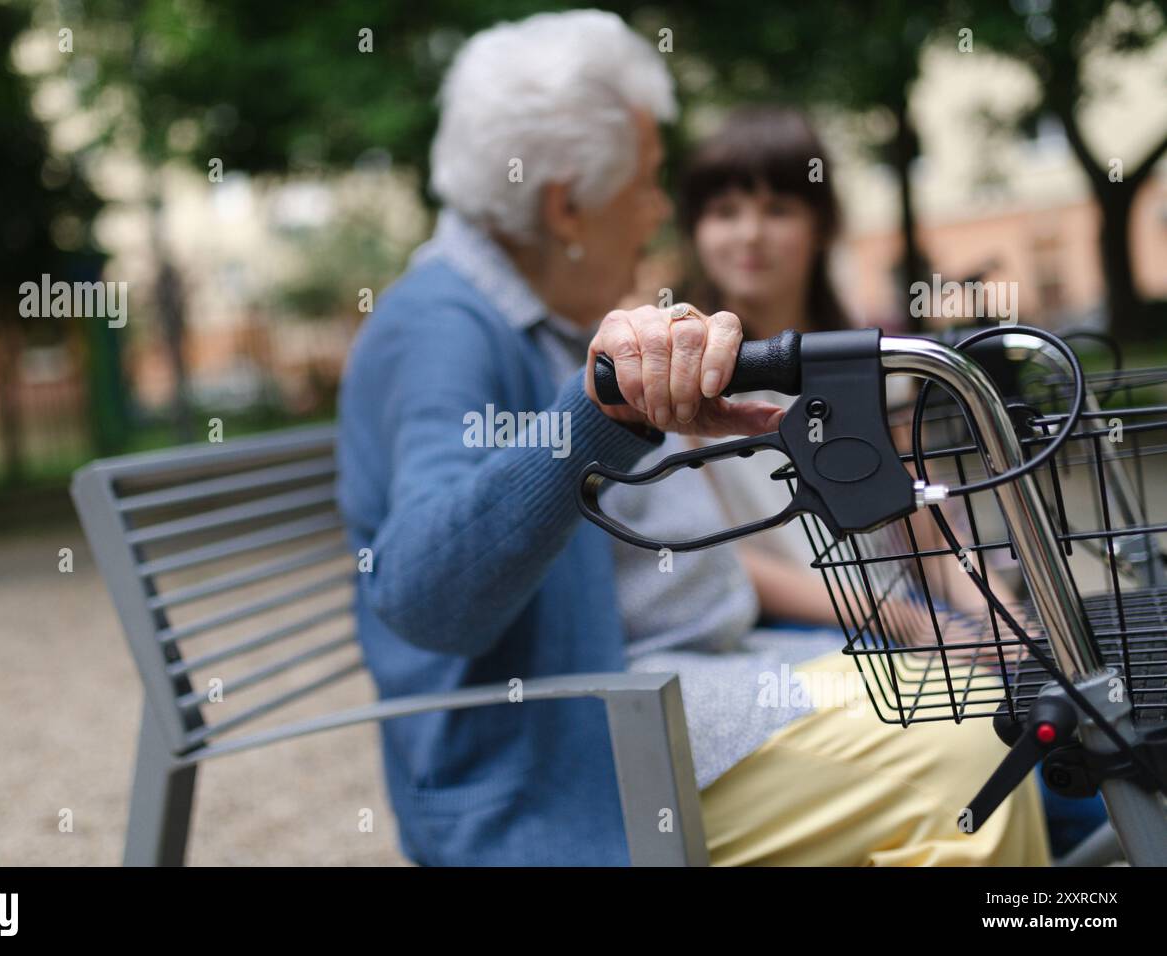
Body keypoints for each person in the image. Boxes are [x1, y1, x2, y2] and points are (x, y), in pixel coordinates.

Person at [337, 10, 1049, 866]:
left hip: (711, 668)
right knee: (968, 758)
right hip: (571, 752)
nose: (652, 215)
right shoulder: (441, 328)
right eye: (646, 183)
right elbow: (425, 596)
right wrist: (602, 417)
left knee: (1013, 715)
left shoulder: (541, 314)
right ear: (565, 205)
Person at [678, 104, 1105, 858]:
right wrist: (907, 623)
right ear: (696, 227)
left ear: (819, 224)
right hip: (786, 638)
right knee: (1027, 765)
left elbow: (929, 521)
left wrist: (1001, 618)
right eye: (724, 210)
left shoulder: (870, 358)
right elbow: (726, 560)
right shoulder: (688, 372)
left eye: (777, 207)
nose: (749, 233)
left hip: (899, 614)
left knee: (1077, 734)